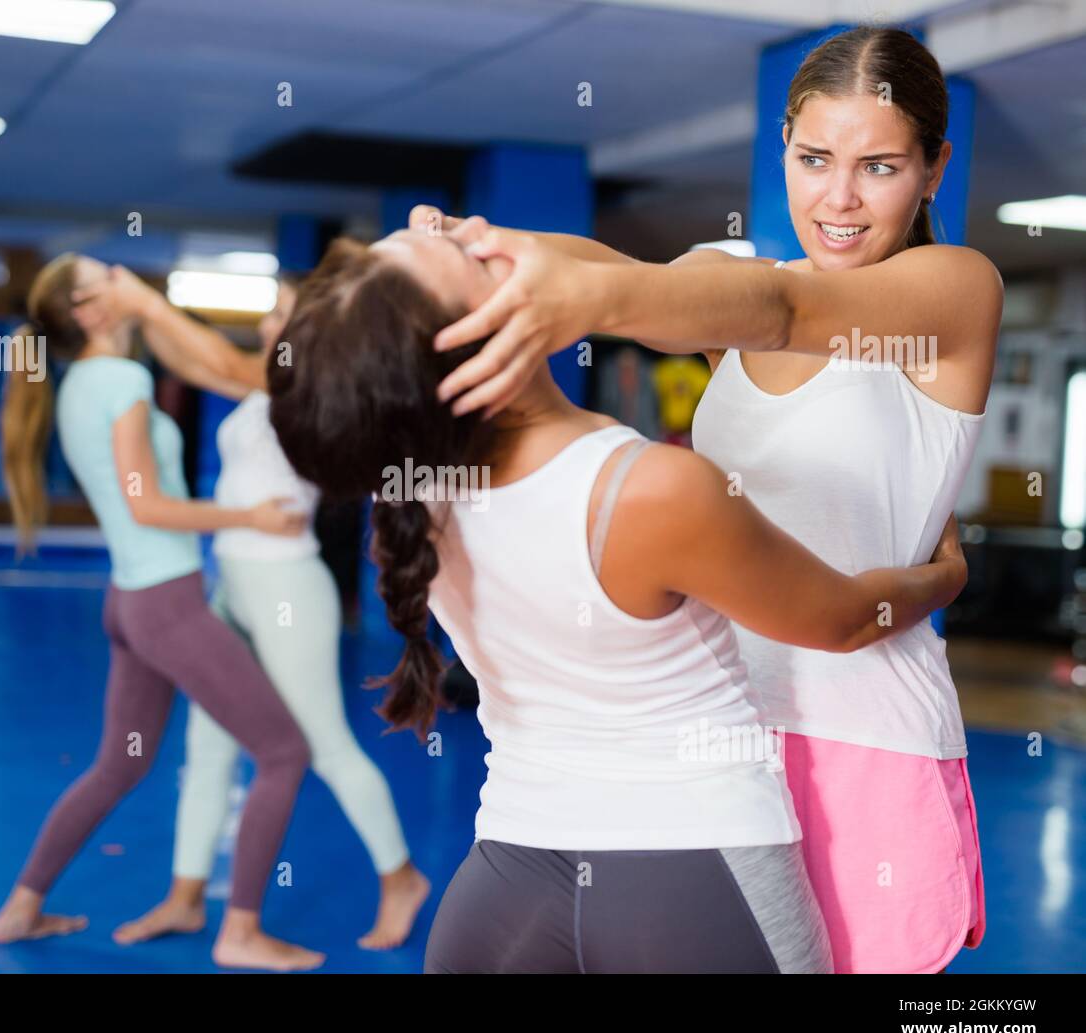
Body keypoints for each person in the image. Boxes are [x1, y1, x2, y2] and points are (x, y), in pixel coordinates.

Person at [407, 25, 999, 973]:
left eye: (878, 166)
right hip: (709, 741)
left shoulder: (953, 292)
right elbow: (633, 273)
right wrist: (479, 246)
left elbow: (788, 315)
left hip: (860, 738)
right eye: (813, 159)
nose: (837, 199)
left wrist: (590, 303)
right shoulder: (732, 286)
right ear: (784, 150)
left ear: (934, 168)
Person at [261, 229, 967, 973]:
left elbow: (650, 282)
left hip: (504, 889)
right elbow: (849, 616)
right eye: (462, 254)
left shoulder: (410, 505)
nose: (449, 224)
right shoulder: (650, 489)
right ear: (487, 345)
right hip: (692, 882)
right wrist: (944, 572)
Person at [67, 266, 430, 950]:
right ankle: (184, 896)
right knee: (207, 744)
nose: (267, 326)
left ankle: (401, 875)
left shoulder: (311, 385)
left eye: (280, 315)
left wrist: (144, 300)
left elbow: (218, 360)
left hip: (288, 586)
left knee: (322, 744)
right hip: (234, 582)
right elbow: (196, 360)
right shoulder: (260, 380)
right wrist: (142, 319)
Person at [0, 253, 324, 972]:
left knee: (118, 764)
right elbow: (147, 504)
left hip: (129, 600)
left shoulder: (81, 381)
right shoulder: (125, 381)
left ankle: (20, 906)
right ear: (87, 311)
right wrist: (251, 517)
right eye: (98, 275)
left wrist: (149, 311)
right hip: (164, 602)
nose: (116, 271)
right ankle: (240, 932)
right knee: (284, 751)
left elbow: (197, 370)